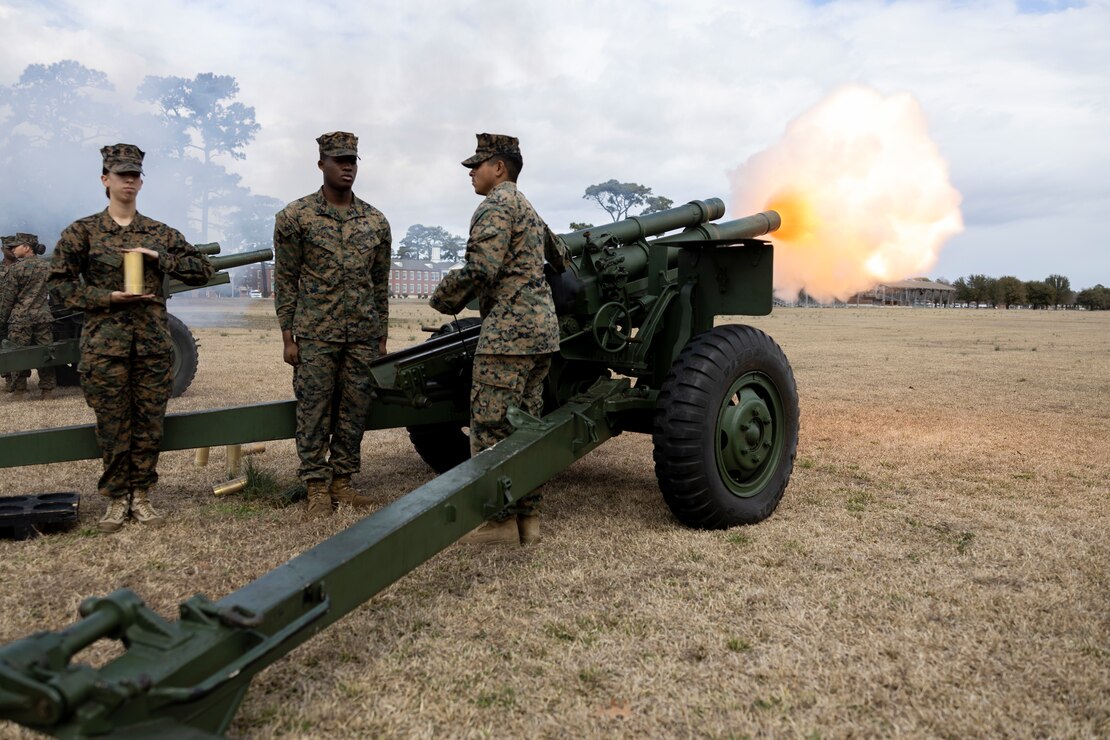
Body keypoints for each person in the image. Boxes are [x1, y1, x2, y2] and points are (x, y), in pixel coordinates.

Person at [49, 143, 213, 533]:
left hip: (153, 347)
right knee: (111, 423)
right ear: (105, 180)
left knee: (149, 422)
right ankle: (115, 498)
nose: (129, 181)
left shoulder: (158, 232)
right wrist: (106, 298)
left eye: (135, 175)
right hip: (105, 347)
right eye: (121, 174)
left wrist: (160, 258)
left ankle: (141, 495)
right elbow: (59, 285)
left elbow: (201, 269)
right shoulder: (83, 232)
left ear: (142, 181)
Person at [429, 133, 564, 546]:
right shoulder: (527, 207)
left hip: (508, 335)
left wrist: (443, 297)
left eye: (478, 164)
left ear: (499, 168)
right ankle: (529, 520)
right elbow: (559, 255)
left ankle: (498, 523)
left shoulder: (495, 206)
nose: (471, 172)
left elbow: (480, 269)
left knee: (490, 427)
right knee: (527, 427)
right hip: (541, 335)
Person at [273, 131, 391, 517]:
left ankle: (343, 482)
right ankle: (316, 487)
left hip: (361, 335)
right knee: (313, 409)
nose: (347, 167)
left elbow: (380, 284)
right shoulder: (295, 217)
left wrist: (381, 337)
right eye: (339, 160)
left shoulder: (375, 222)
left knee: (355, 409)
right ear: (321, 163)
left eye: (353, 160)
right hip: (315, 334)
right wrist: (288, 336)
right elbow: (286, 279)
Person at [0, 233, 56, 399]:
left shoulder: (17, 269)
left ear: (26, 247)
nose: (13, 249)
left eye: (16, 246)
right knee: (46, 354)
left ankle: (19, 391)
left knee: (18, 355)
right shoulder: (47, 267)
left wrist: (2, 320)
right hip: (44, 317)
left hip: (20, 319)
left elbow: (8, 299)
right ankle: (48, 391)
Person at [0, 238, 18, 393]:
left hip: (21, 314)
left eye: (14, 247)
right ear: (2, 249)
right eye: (9, 247)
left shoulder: (23, 266)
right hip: (2, 314)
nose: (12, 250)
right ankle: (8, 378)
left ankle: (20, 381)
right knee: (3, 345)